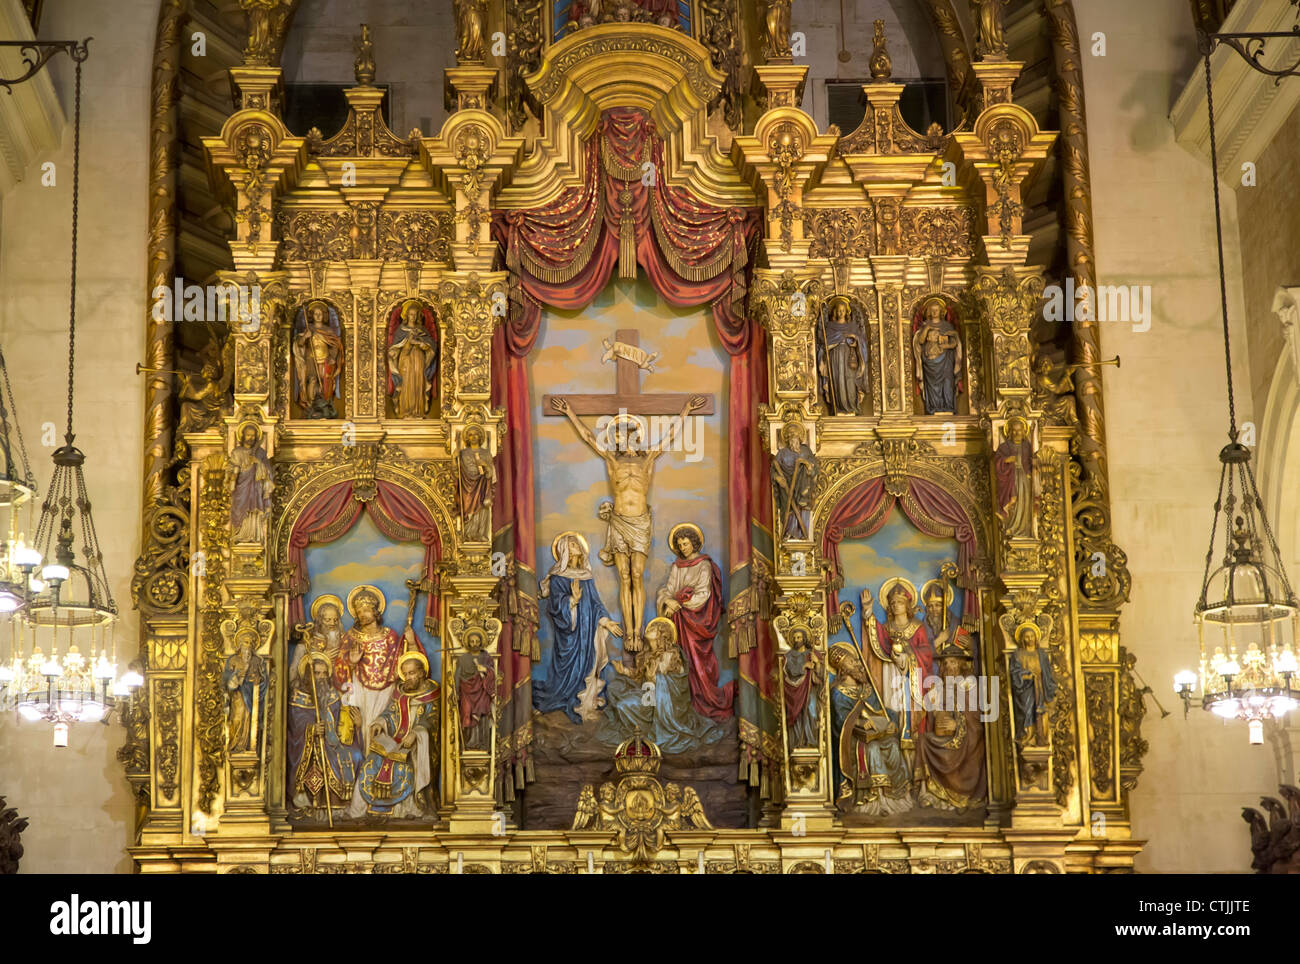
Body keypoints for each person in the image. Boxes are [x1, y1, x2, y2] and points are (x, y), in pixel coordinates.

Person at [552, 395, 707, 654]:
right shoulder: (612, 460)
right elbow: (589, 438)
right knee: (624, 577)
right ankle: (630, 632)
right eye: (621, 437)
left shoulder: (648, 460)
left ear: (637, 437)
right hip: (619, 522)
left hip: (640, 523)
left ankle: (639, 630)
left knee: (637, 576)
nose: (625, 440)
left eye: (630, 436)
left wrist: (686, 412)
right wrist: (570, 413)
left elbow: (669, 437)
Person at [533, 532, 625, 723]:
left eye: (578, 544)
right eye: (573, 544)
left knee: (590, 663)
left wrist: (605, 621)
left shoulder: (586, 575)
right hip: (569, 634)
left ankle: (587, 698)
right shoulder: (558, 576)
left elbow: (595, 603)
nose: (578, 547)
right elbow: (555, 606)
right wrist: (572, 601)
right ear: (565, 550)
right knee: (566, 669)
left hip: (588, 630)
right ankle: (558, 698)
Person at [598, 617, 727, 753]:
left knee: (624, 705)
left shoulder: (671, 655)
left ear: (662, 634)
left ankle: (651, 730)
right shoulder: (648, 655)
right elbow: (640, 679)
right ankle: (640, 728)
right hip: (648, 697)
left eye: (654, 628)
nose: (649, 629)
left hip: (664, 703)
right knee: (616, 690)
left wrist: (657, 678)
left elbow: (673, 683)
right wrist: (624, 671)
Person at [348, 646, 439, 818]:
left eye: (412, 673)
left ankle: (410, 809)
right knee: (371, 763)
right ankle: (359, 811)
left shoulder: (431, 694)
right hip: (394, 741)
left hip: (416, 744)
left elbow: (432, 721)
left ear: (421, 673)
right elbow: (390, 713)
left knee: (406, 765)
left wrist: (416, 733)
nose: (408, 678)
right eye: (405, 673)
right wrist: (379, 723)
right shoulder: (401, 692)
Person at [656, 523, 733, 720]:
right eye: (680, 544)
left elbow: (703, 594)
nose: (683, 548)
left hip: (696, 622)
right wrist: (667, 600)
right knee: (680, 661)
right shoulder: (677, 566)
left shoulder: (704, 565)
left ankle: (707, 700)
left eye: (686, 543)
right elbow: (668, 589)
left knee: (699, 663)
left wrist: (680, 603)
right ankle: (684, 704)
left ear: (694, 543)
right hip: (679, 622)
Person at [828, 642, 912, 815]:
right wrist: (858, 724)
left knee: (894, 747)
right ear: (843, 669)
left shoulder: (867, 689)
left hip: (875, 734)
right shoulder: (838, 692)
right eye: (852, 662)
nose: (858, 664)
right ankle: (874, 798)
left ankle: (892, 797)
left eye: (857, 661)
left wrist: (891, 720)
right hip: (853, 739)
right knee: (872, 749)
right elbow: (840, 720)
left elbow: (879, 709)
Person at [860, 580, 936, 767]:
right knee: (893, 713)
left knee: (910, 717)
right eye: (892, 603)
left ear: (907, 605)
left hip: (913, 680)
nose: (896, 606)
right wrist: (868, 612)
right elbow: (877, 639)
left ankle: (914, 758)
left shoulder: (917, 627)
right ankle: (897, 760)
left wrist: (907, 653)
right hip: (891, 679)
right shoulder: (887, 628)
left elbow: (926, 652)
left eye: (900, 602)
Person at [333, 586, 419, 740]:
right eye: (359, 612)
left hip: (386, 692)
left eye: (366, 610)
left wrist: (411, 643)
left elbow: (406, 663)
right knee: (362, 727)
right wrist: (352, 663)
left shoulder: (390, 636)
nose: (362, 615)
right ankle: (362, 760)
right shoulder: (351, 637)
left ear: (375, 610)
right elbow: (339, 672)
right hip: (359, 690)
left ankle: (379, 762)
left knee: (382, 728)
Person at [288, 652, 362, 819]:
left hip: (333, 741)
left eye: (324, 673)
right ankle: (314, 805)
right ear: (307, 675)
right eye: (316, 673)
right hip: (309, 744)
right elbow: (295, 727)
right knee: (323, 759)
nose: (321, 677)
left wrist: (356, 727)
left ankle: (344, 807)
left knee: (355, 755)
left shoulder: (333, 696)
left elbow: (341, 722)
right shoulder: (297, 697)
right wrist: (311, 730)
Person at [817, 295, 870, 415]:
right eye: (838, 310)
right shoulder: (830, 326)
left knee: (850, 381)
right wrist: (829, 345)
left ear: (847, 311)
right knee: (837, 381)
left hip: (849, 358)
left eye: (843, 310)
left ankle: (852, 407)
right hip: (835, 357)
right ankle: (839, 408)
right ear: (835, 311)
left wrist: (855, 339)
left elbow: (862, 342)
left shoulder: (852, 326)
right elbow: (824, 344)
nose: (841, 312)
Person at [387, 299, 438, 418]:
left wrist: (423, 345)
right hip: (405, 359)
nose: (413, 317)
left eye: (415, 315)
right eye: (410, 314)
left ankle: (418, 410)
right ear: (406, 315)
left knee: (418, 382)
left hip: (419, 359)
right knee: (406, 382)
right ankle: (405, 410)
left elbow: (432, 346)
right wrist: (404, 345)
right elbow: (394, 347)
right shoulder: (401, 330)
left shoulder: (422, 330)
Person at [293, 300, 344, 418]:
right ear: (312, 315)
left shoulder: (328, 330)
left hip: (325, 360)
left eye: (320, 313)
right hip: (311, 360)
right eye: (316, 313)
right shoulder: (309, 328)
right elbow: (300, 344)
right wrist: (305, 337)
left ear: (324, 315)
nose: (318, 316)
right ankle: (311, 405)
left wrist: (332, 358)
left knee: (325, 383)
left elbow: (335, 345)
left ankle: (325, 404)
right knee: (312, 381)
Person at [912, 297, 962, 415]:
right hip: (930, 362)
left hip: (946, 361)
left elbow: (955, 343)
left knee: (947, 382)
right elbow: (920, 341)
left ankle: (948, 406)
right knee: (932, 385)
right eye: (932, 310)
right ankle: (934, 407)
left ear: (941, 312)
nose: (935, 312)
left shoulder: (947, 326)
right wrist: (927, 329)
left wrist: (947, 346)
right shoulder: (926, 325)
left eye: (937, 310)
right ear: (929, 312)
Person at [227, 423, 273, 544]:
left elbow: (269, 472)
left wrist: (258, 462)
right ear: (242, 436)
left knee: (254, 510)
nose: (250, 438)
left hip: (256, 487)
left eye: (253, 436)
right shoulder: (237, 452)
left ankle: (254, 534)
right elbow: (230, 468)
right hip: (241, 487)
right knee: (241, 508)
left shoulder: (260, 453)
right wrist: (232, 477)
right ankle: (240, 534)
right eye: (248, 435)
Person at [223, 628, 267, 753]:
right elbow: (227, 681)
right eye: (246, 642)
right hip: (237, 696)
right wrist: (236, 678)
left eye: (251, 643)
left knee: (249, 719)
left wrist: (259, 680)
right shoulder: (233, 660)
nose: (248, 646)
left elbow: (264, 680)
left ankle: (246, 744)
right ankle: (235, 745)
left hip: (251, 695)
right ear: (240, 644)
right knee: (237, 719)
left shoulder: (257, 661)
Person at [772, 421, 818, 539]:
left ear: (800, 438)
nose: (794, 441)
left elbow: (814, 466)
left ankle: (803, 532)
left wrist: (808, 468)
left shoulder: (806, 451)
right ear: (787, 439)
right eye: (791, 438)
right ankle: (790, 532)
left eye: (796, 438)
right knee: (789, 509)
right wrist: (778, 478)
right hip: (786, 489)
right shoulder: (782, 454)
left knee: (802, 507)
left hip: (803, 488)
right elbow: (774, 469)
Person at [782, 627, 823, 749]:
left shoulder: (812, 653)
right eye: (794, 638)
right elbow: (789, 671)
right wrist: (804, 666)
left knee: (812, 713)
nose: (796, 640)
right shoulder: (789, 655)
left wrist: (817, 664)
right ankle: (799, 742)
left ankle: (811, 741)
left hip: (810, 689)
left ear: (804, 638)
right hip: (796, 690)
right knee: (799, 714)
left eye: (799, 637)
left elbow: (822, 674)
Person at [456, 628, 496, 751]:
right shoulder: (463, 659)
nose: (474, 644)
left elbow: (494, 673)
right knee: (467, 714)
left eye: (476, 641)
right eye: (471, 641)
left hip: (482, 692)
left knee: (482, 715)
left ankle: (483, 743)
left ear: (481, 642)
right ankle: (469, 743)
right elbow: (457, 676)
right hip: (466, 692)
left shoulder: (486, 657)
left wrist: (484, 670)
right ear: (468, 642)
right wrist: (456, 693)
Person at [995, 418, 1034, 537]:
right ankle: (1012, 526)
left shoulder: (1027, 446)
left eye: (1019, 431)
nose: (1017, 433)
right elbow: (996, 461)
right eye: (1014, 431)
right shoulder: (1004, 447)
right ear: (1010, 432)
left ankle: (1024, 529)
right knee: (1013, 502)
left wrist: (1031, 471)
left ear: (1024, 432)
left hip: (1023, 478)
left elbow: (1030, 462)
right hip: (1010, 478)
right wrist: (1006, 460)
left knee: (1024, 501)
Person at [457, 425, 495, 543]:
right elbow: (458, 471)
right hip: (467, 487)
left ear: (480, 437)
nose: (473, 437)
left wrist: (484, 465)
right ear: (467, 438)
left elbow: (491, 474)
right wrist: (455, 458)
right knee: (469, 508)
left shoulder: (486, 453)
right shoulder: (463, 453)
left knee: (482, 508)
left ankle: (480, 533)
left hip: (483, 486)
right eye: (470, 435)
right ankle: (468, 533)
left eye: (476, 434)